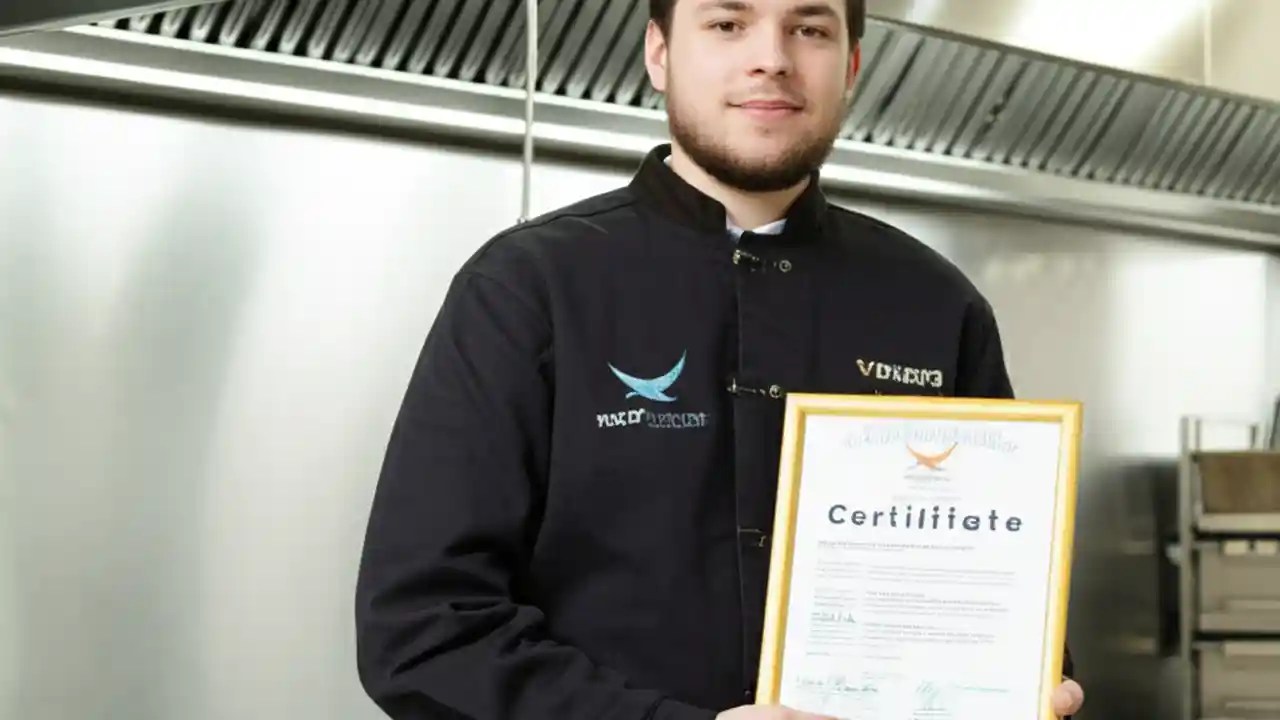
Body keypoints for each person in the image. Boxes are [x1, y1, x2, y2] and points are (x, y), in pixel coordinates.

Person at [354, 0, 1085, 718]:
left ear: (851, 65)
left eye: (809, 28)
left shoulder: (935, 305)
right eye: (728, 23)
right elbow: (424, 630)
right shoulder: (527, 288)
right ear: (660, 53)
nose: (772, 56)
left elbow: (1000, 584)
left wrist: (1031, 676)